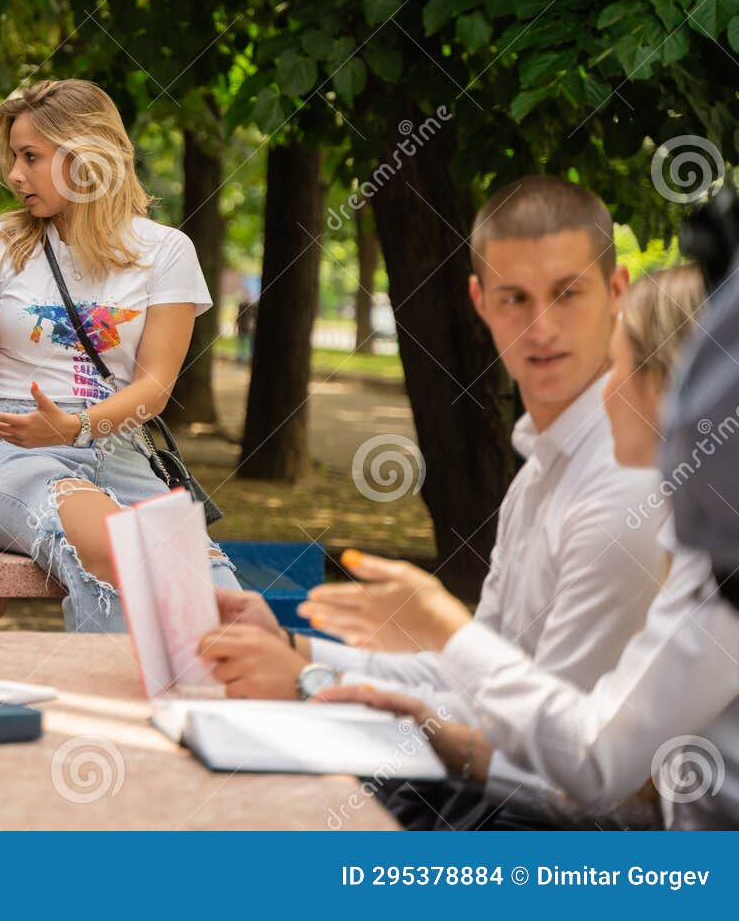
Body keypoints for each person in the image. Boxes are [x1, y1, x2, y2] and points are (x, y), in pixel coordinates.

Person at [197, 176, 669, 823]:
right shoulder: (542, 470)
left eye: (567, 294)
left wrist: (314, 687)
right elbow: (475, 679)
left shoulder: (623, 485)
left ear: (617, 293)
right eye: (514, 298)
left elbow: (561, 767)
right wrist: (291, 646)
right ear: (479, 301)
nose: (541, 328)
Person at [309, 265, 739, 829]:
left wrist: (446, 628)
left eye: (617, 367)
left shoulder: (715, 567)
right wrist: (440, 737)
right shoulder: (694, 541)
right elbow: (625, 789)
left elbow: (594, 763)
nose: (603, 391)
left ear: (667, 387)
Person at [0, 79, 238, 633]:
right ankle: (110, 711)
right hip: (21, 456)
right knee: (116, 549)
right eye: (14, 157)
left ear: (86, 158)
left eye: (31, 157)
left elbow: (154, 387)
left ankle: (207, 715)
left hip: (124, 451)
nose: (15, 174)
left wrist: (76, 427)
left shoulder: (165, 251)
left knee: (223, 608)